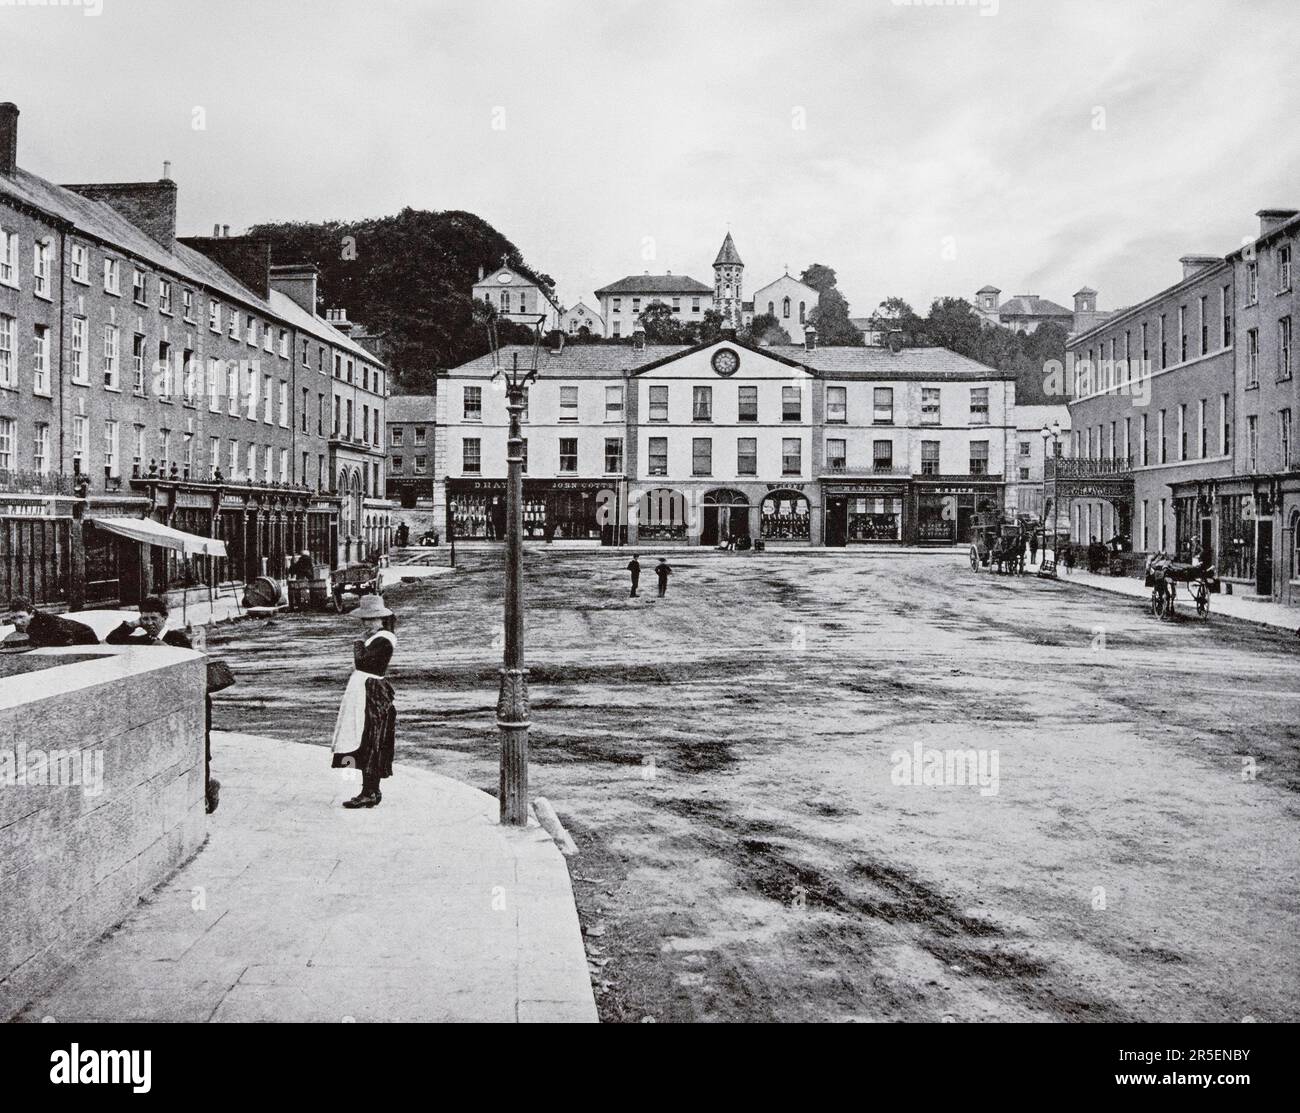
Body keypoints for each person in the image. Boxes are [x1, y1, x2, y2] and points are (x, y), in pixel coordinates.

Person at [106, 597, 223, 814]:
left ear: (165, 618)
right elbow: (112, 639)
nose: (149, 622)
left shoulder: (177, 638)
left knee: (201, 750)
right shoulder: (141, 640)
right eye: (145, 618)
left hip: (192, 703)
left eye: (154, 618)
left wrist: (167, 649)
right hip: (164, 705)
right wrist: (132, 625)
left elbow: (191, 670)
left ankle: (207, 791)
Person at [331, 594, 398, 809]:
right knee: (364, 738)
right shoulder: (376, 638)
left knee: (370, 738)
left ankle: (369, 791)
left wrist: (358, 642)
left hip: (371, 693)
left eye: (372, 619)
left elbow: (363, 663)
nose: (368, 624)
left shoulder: (383, 639)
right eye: (365, 620)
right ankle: (370, 789)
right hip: (363, 691)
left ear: (381, 619)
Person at [5, 597, 99, 647]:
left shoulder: (47, 621)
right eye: (13, 618)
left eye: (21, 617)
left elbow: (66, 638)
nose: (17, 622)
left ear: (32, 614)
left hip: (85, 637)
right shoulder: (26, 621)